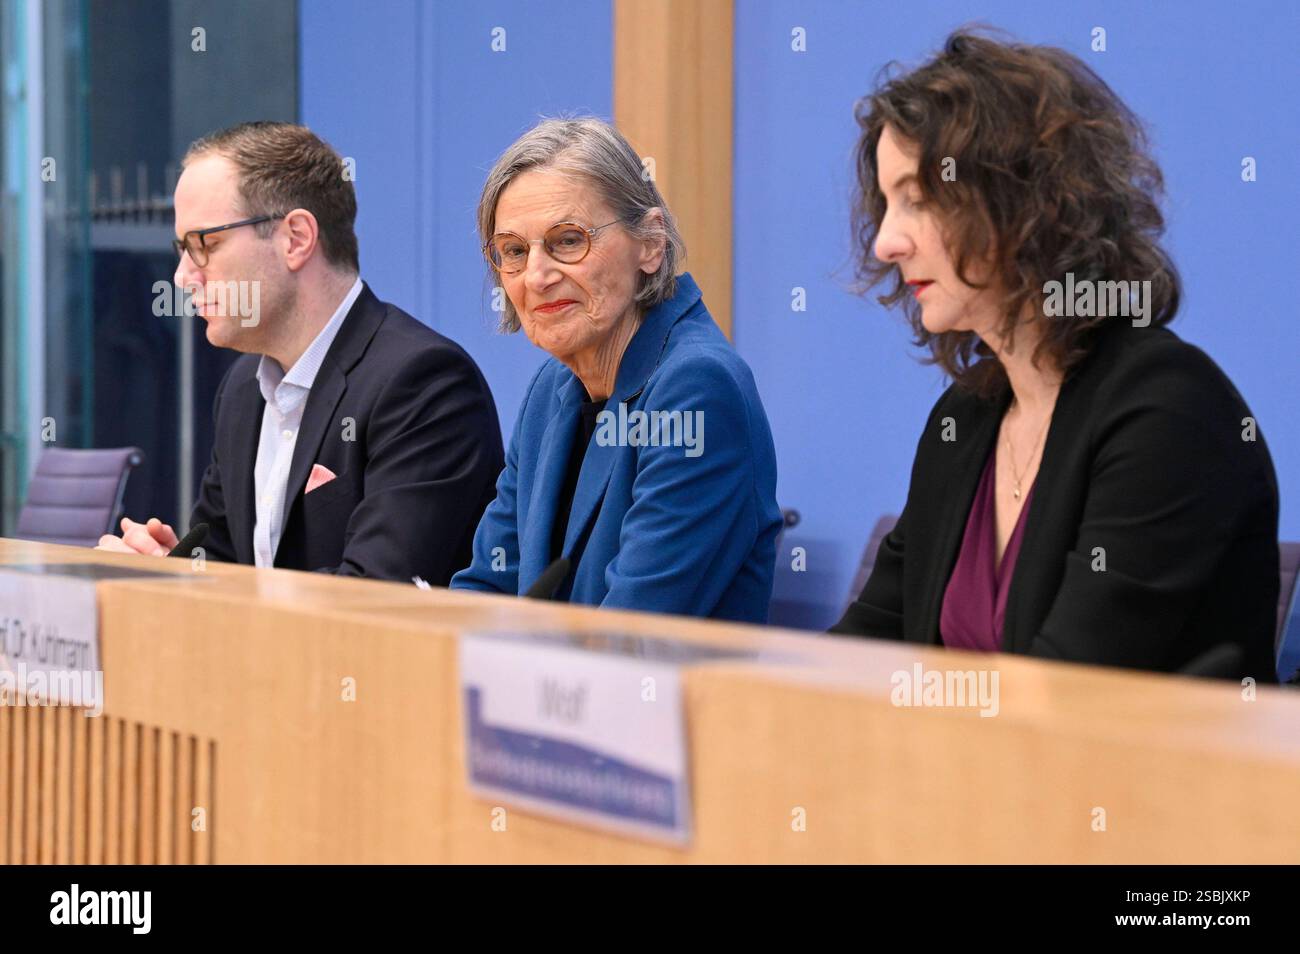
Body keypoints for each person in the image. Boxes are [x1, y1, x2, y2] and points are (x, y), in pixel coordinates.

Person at [831, 31, 1280, 679]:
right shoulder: (966, 418)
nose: (886, 244)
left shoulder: (1170, 412)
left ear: (1022, 203)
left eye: (918, 200)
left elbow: (1066, 693)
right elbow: (868, 640)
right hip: (973, 775)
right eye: (886, 203)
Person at [97, 122, 504, 583]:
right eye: (182, 249)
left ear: (295, 239)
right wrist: (173, 574)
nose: (182, 277)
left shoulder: (424, 383)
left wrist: (202, 591)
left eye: (204, 244)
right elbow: (223, 563)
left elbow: (372, 597)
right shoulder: (241, 389)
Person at [451, 118, 782, 621]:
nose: (536, 277)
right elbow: (487, 584)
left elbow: (631, 630)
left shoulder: (697, 387)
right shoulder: (553, 386)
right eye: (514, 251)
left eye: (567, 241)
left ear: (649, 243)